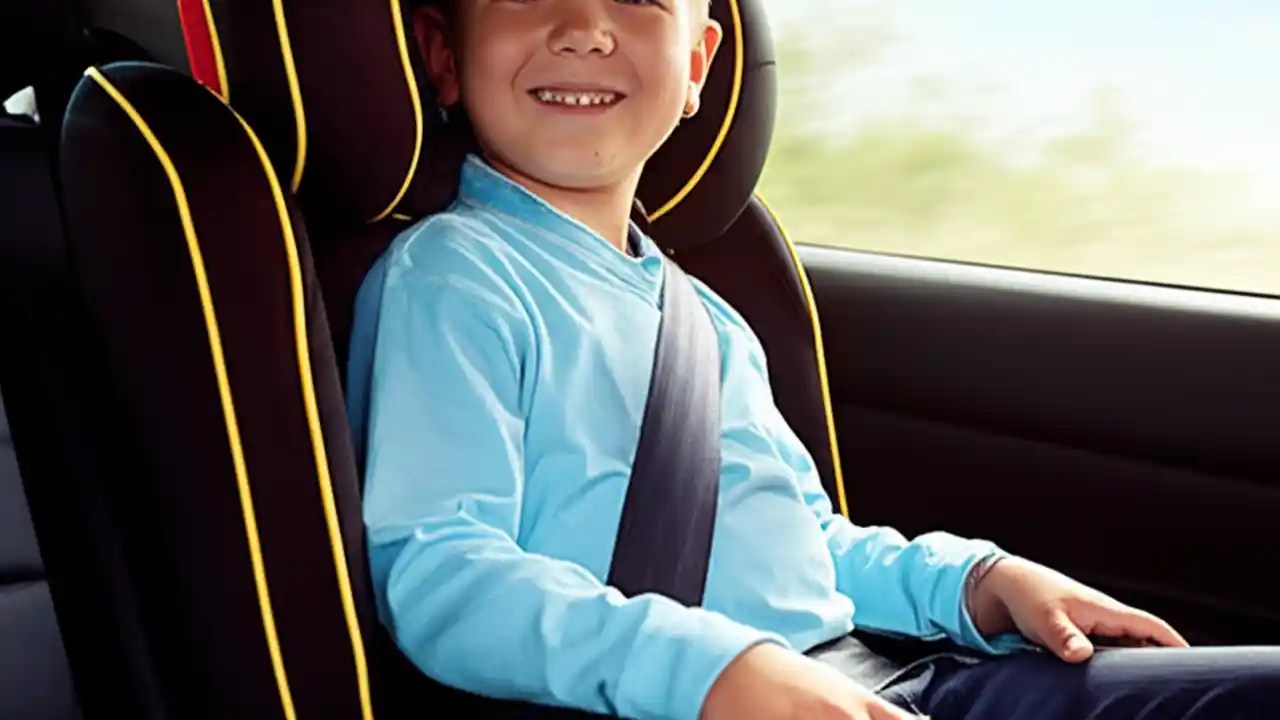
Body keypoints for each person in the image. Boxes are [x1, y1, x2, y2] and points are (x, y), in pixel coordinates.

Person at [345, 1, 1280, 718]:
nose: (585, 28)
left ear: (699, 66)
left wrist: (973, 582)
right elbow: (442, 570)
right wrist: (720, 674)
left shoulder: (708, 316)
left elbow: (807, 541)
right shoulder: (453, 276)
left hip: (889, 673)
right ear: (442, 54)